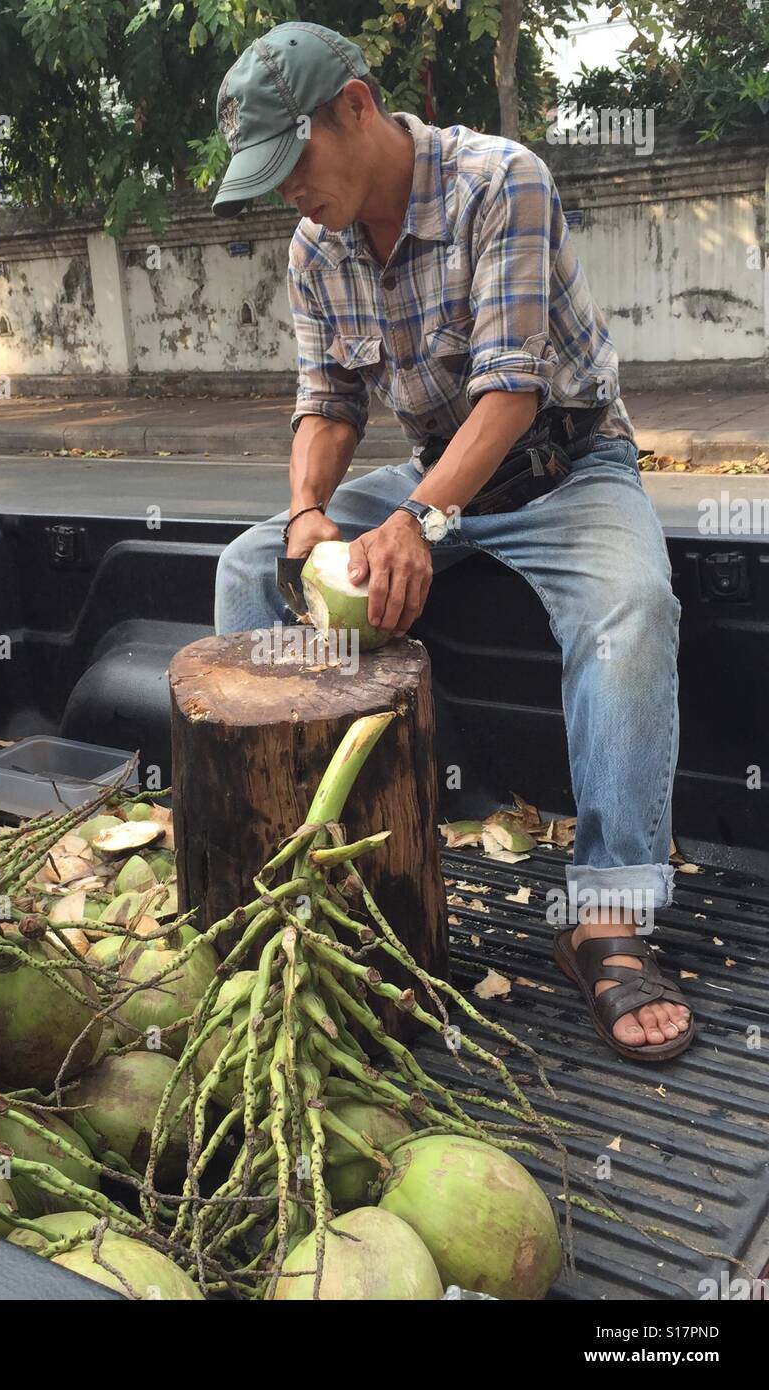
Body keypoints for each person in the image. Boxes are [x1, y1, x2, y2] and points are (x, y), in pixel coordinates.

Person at [210, 21, 693, 1061]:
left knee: (632, 610)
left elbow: (513, 390)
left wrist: (418, 521)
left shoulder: (499, 182)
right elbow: (328, 397)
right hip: (439, 472)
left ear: (357, 104)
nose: (287, 189)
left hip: (565, 466)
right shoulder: (314, 248)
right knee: (249, 567)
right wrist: (305, 516)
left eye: (292, 160)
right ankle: (293, 859)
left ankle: (607, 920)